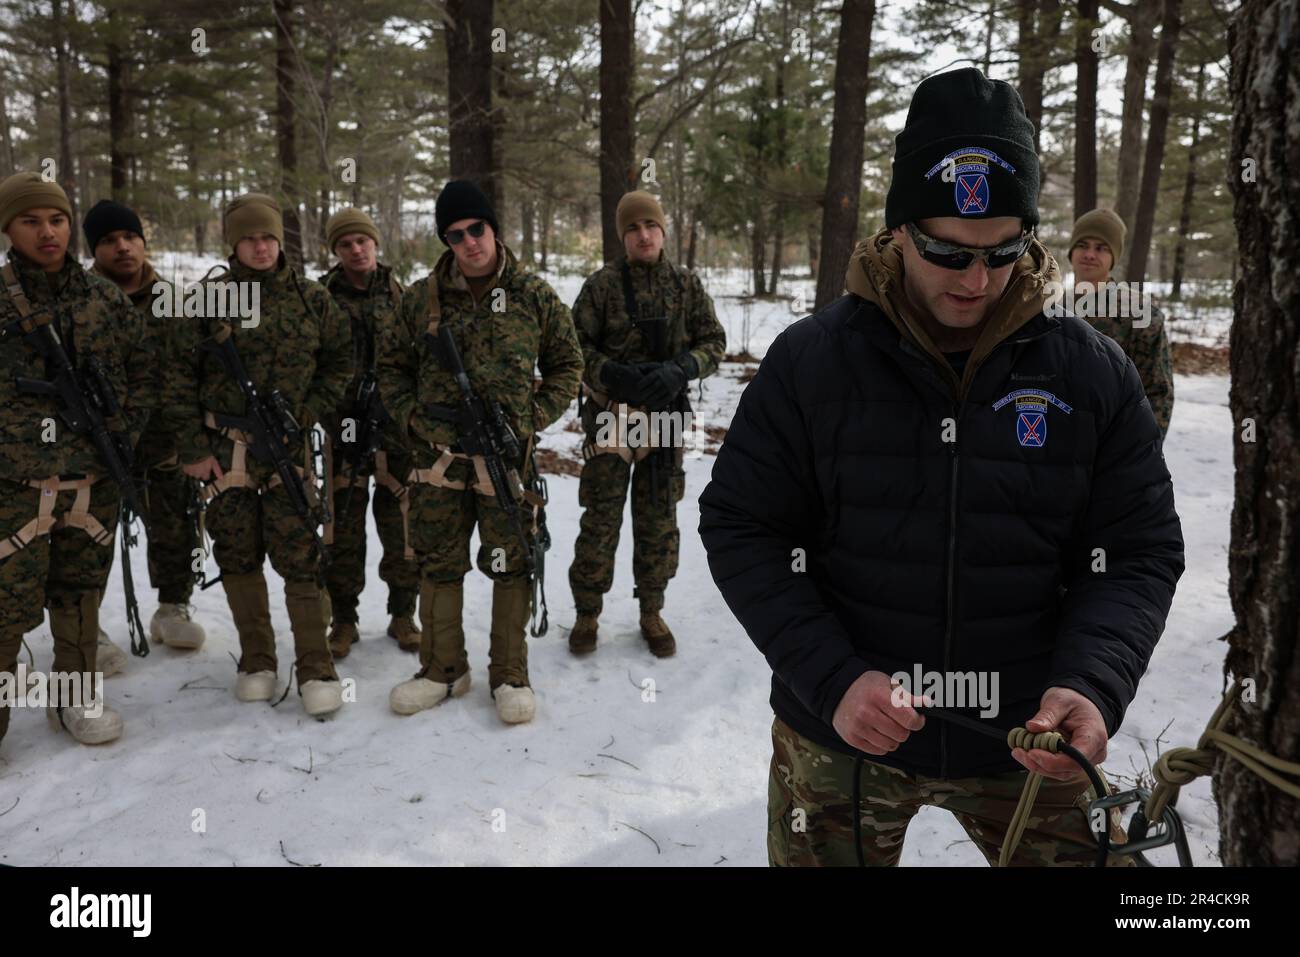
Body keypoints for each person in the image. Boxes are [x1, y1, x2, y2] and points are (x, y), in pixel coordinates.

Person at [698, 68, 1185, 866]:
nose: (976, 280)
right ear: (896, 229)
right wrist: (832, 679)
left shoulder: (1090, 374)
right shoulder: (812, 363)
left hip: (1030, 740)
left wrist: (1094, 681)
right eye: (946, 251)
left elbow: (1138, 550)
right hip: (844, 737)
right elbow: (742, 526)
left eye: (1004, 252)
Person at [379, 180, 582, 725]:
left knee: (509, 561)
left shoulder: (534, 295)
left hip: (503, 462)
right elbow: (390, 369)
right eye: (455, 234)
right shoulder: (421, 299)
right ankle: (443, 669)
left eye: (477, 229)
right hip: (438, 460)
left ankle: (509, 674)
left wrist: (532, 418)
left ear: (493, 228)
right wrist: (413, 418)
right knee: (439, 563)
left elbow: (568, 365)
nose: (469, 242)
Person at [164, 193, 352, 717]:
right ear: (234, 243)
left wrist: (310, 411)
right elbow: (176, 379)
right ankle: (257, 660)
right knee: (238, 553)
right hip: (224, 451)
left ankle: (316, 664)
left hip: (287, 450)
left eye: (268, 236)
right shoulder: (206, 301)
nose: (261, 246)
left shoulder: (312, 299)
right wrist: (193, 449)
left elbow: (340, 362)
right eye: (249, 237)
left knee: (299, 554)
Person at [0, 173, 155, 747]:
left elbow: (142, 376)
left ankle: (72, 699)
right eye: (31, 221)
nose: (48, 232)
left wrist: (120, 437)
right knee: (5, 609)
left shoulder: (104, 298)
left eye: (58, 220)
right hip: (14, 483)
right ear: (9, 229)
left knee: (80, 596)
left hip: (92, 478)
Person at [566, 190, 725, 657]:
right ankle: (587, 613)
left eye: (650, 226)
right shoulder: (601, 286)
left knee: (658, 521)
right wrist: (608, 372)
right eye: (633, 228)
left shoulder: (686, 285)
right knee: (600, 519)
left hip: (663, 421)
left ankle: (651, 610)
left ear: (662, 230)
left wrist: (682, 368)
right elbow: (572, 347)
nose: (643, 235)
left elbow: (714, 341)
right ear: (623, 236)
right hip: (613, 418)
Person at [84, 199, 207, 666]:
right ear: (94, 249)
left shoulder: (176, 302)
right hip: (98, 443)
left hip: (164, 440)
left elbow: (197, 371)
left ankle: (172, 606)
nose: (122, 247)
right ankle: (84, 628)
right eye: (109, 240)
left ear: (143, 242)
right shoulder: (81, 301)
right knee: (88, 534)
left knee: (176, 523)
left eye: (129, 237)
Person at [319, 207, 419, 658]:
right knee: (344, 526)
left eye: (362, 241)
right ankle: (343, 619)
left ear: (376, 244)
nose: (356, 250)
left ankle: (403, 614)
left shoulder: (406, 298)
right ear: (336, 251)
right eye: (345, 244)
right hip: (344, 426)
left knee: (402, 524)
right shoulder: (320, 298)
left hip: (397, 428)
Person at [1066, 208, 1174, 439]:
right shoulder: (1047, 307)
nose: (1090, 254)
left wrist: (1143, 455)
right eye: (1083, 245)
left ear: (1114, 257)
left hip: (1111, 445)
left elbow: (1158, 394)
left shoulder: (1139, 315)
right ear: (1071, 251)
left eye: (1101, 248)